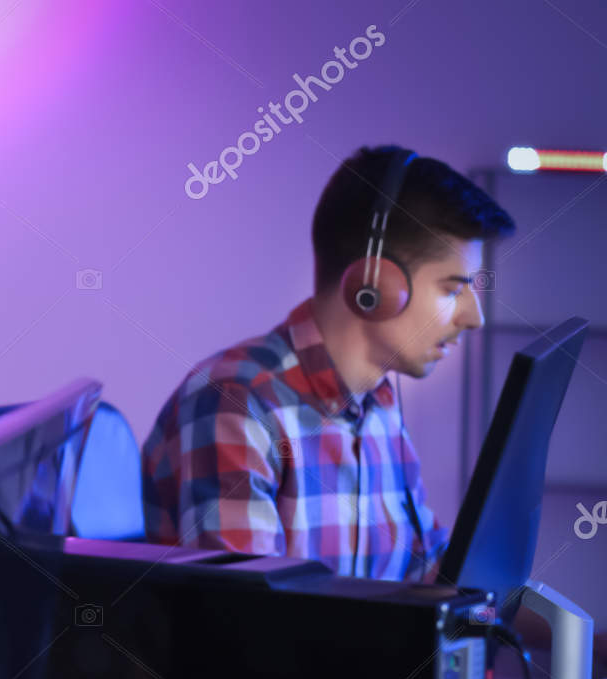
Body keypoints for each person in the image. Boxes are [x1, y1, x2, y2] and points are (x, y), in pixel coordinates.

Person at [142, 146, 515, 580]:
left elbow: (429, 570)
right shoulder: (237, 404)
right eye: (453, 289)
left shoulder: (378, 405)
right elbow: (247, 625)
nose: (474, 318)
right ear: (373, 285)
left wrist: (577, 632)